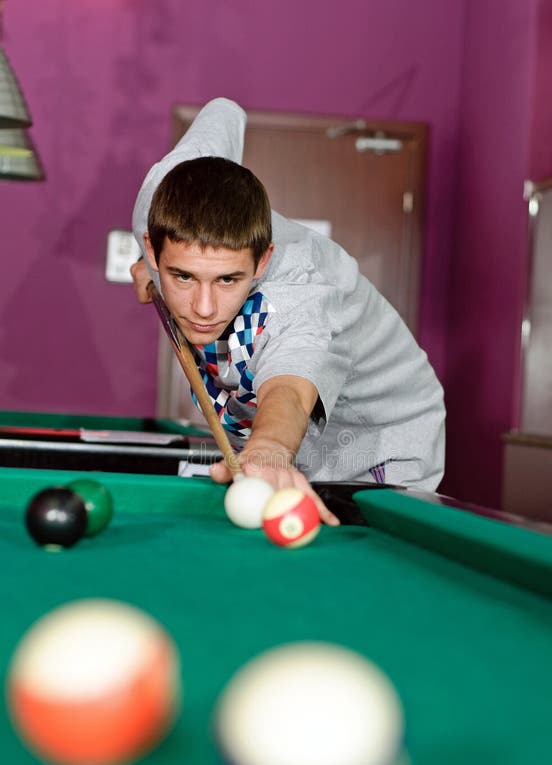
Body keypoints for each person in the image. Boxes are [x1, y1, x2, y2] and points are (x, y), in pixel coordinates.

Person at [131, 98, 445, 526]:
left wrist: (270, 448)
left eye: (227, 280)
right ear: (152, 246)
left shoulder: (298, 293)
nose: (202, 309)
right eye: (184, 276)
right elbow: (225, 112)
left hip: (376, 441)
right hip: (283, 445)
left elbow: (291, 390)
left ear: (261, 263)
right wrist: (150, 272)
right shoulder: (160, 198)